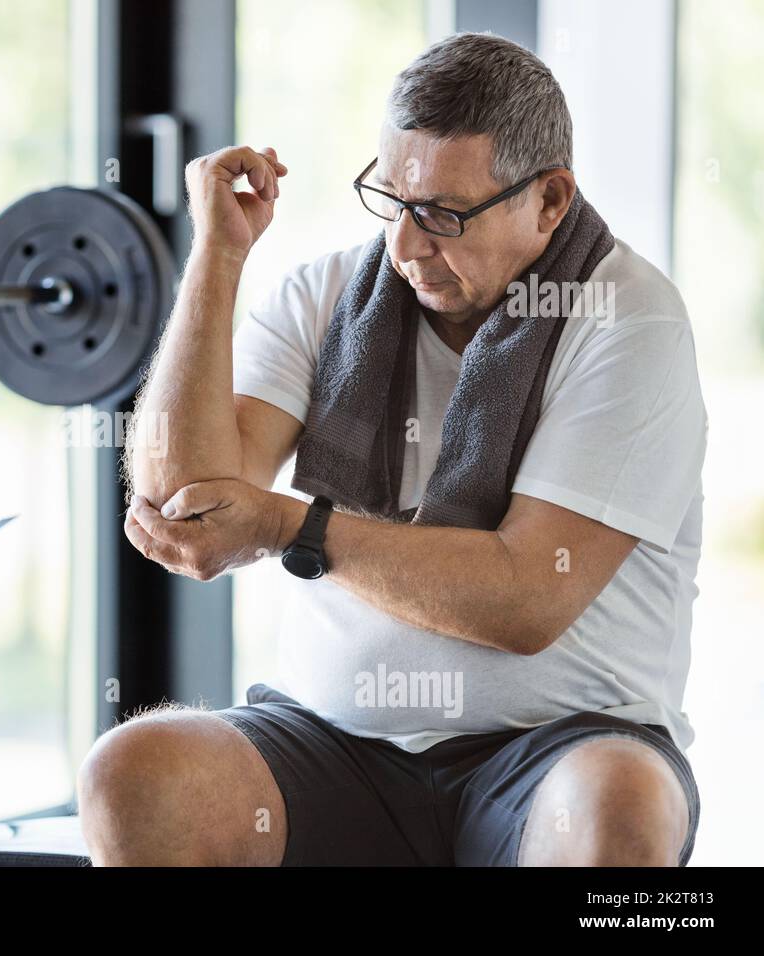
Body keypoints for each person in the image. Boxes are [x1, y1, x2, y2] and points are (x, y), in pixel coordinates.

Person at [77, 32, 706, 867]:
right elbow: (184, 499)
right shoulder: (328, 293)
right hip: (332, 741)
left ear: (549, 200)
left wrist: (290, 527)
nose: (407, 247)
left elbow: (527, 601)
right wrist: (217, 259)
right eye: (391, 199)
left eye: (445, 215)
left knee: (615, 803)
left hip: (557, 745)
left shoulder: (628, 323)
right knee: (135, 771)